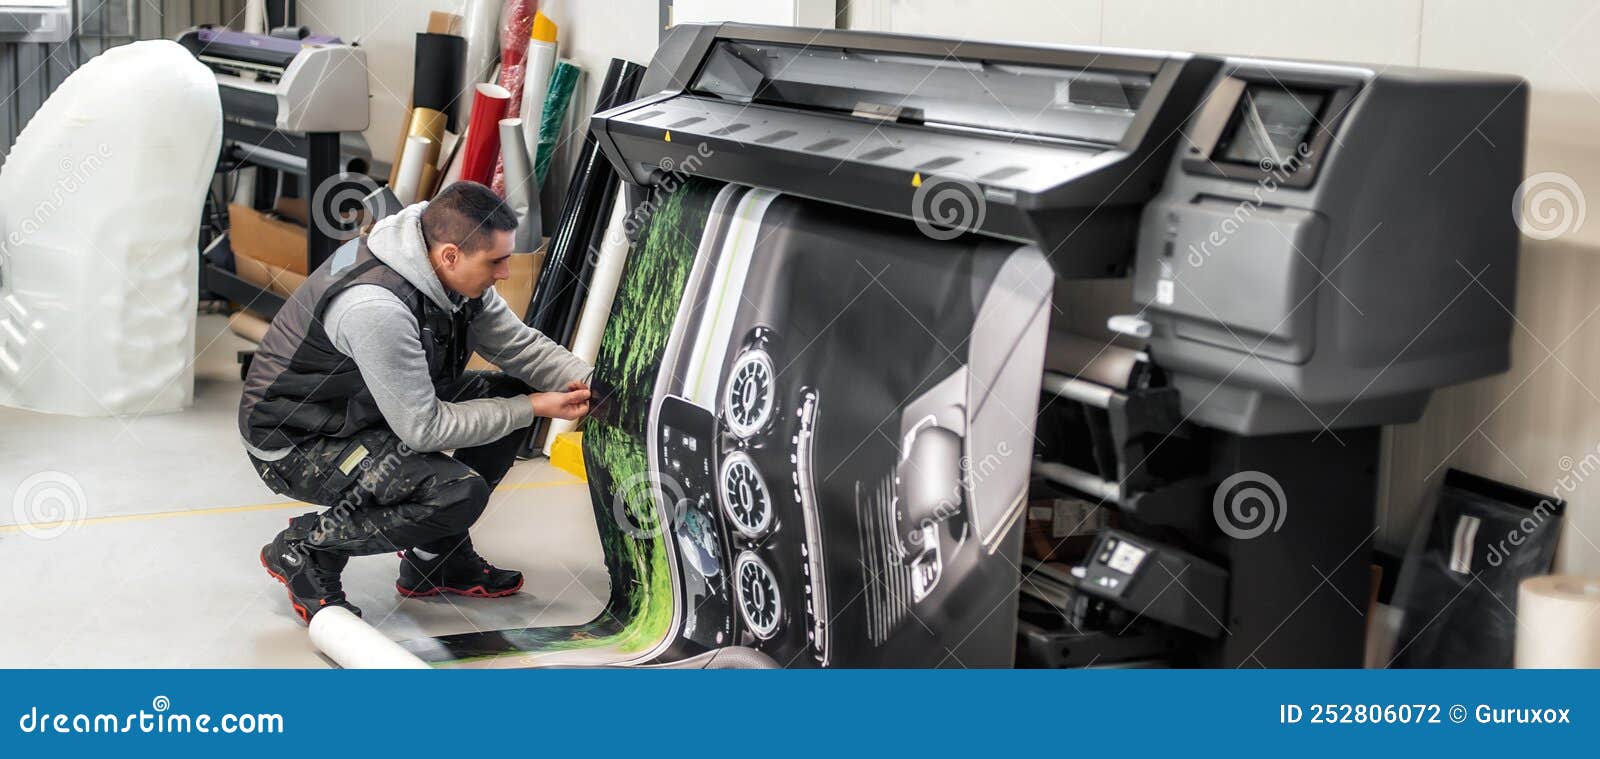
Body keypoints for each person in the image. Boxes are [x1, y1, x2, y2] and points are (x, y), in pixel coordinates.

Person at [237, 181, 592, 623]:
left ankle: (434, 559)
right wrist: (535, 408)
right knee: (457, 492)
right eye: (496, 261)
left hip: (365, 409)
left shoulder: (448, 268)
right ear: (450, 256)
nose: (505, 273)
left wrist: (600, 389)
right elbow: (422, 429)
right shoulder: (376, 307)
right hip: (300, 441)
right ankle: (308, 548)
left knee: (510, 391)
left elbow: (519, 347)